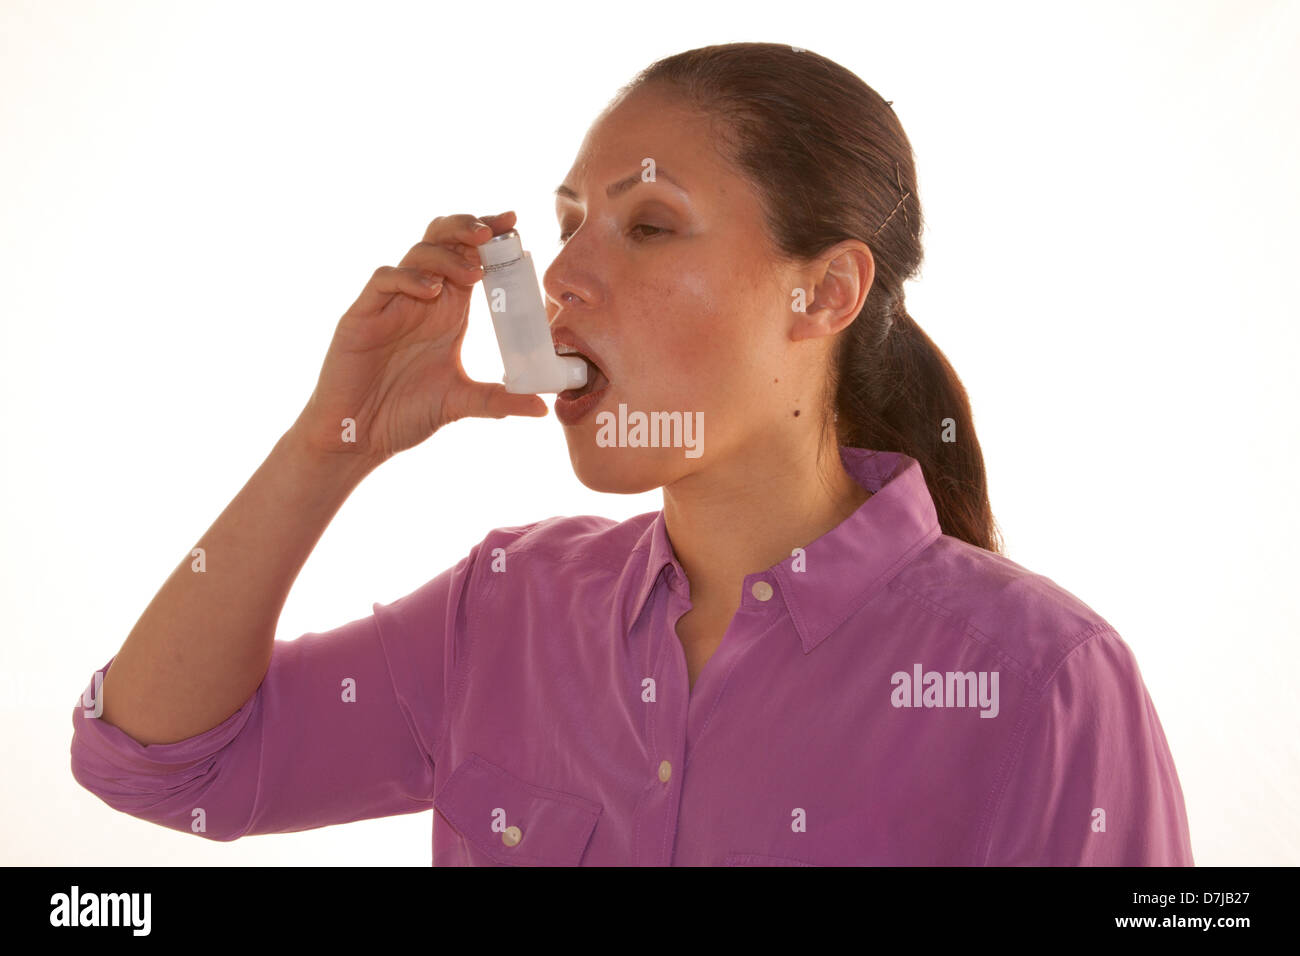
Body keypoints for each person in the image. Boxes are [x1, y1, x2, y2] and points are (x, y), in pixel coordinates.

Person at [69, 42, 1193, 865]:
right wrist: (331, 444)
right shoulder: (503, 613)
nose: (562, 279)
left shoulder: (1044, 682)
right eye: (569, 226)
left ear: (826, 291)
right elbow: (162, 761)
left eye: (648, 224)